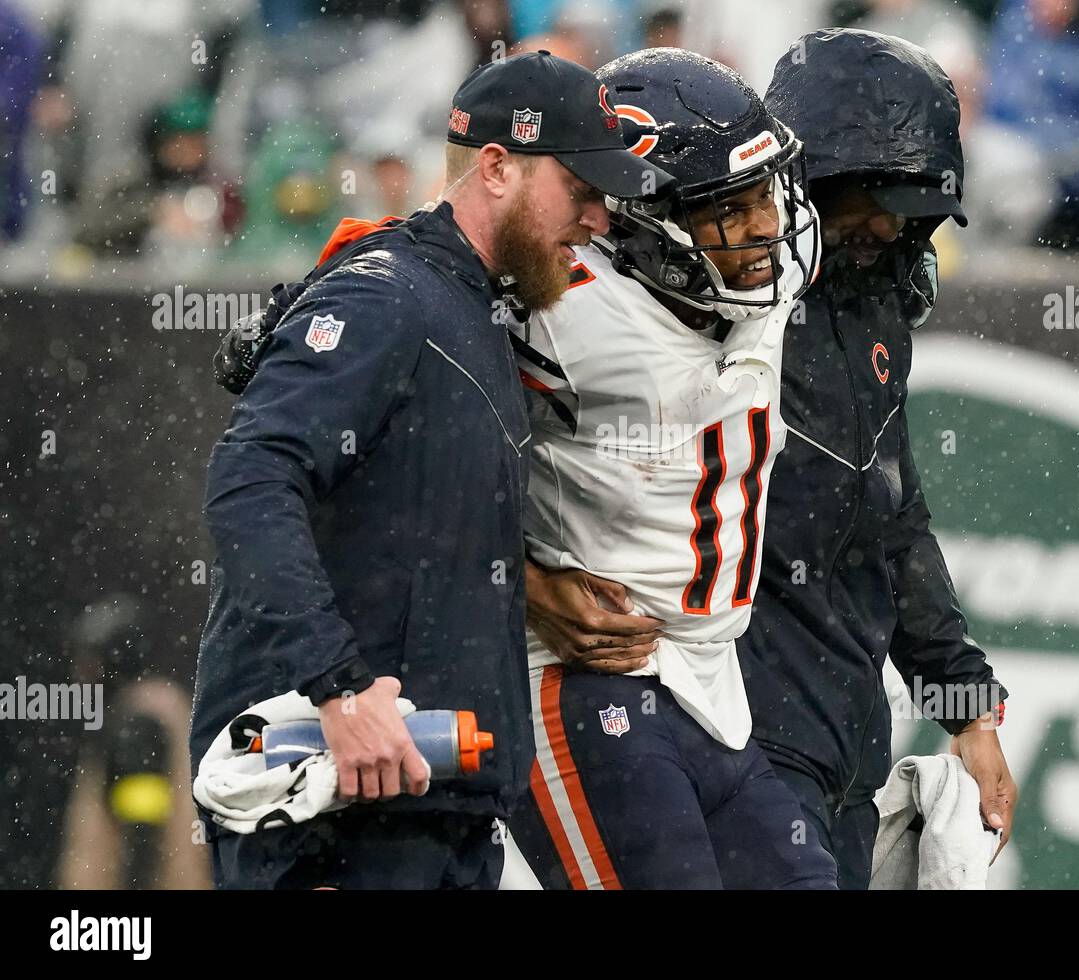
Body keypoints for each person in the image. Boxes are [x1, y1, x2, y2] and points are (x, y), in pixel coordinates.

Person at [191, 50, 673, 890]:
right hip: (335, 802)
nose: (599, 218)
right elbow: (251, 478)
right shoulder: (388, 294)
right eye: (583, 190)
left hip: (433, 802)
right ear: (497, 168)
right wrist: (337, 689)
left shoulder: (472, 303)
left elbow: (406, 528)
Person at [507, 48, 836, 889]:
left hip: (712, 688)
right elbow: (392, 439)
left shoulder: (773, 266)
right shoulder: (555, 305)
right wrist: (520, 580)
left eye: (766, 193)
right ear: (632, 215)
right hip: (584, 681)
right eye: (729, 208)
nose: (765, 228)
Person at [738, 29, 1016, 889]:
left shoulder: (877, 306)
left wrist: (966, 708)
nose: (889, 224)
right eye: (870, 197)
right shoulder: (717, 305)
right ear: (808, 183)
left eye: (909, 202)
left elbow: (893, 522)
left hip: (851, 728)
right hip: (730, 714)